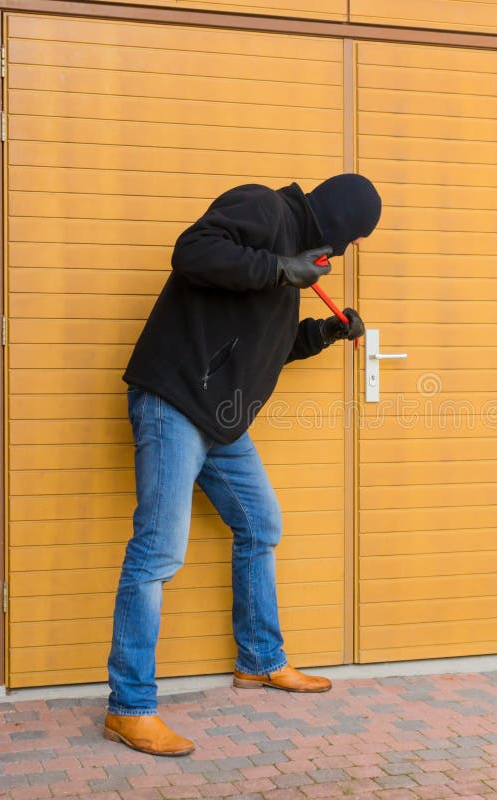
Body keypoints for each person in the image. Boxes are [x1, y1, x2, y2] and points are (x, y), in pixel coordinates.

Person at [103, 174, 381, 757]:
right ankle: (129, 708)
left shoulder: (293, 263)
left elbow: (268, 344)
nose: (341, 255)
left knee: (261, 523)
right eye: (349, 241)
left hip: (220, 421)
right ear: (336, 223)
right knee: (158, 552)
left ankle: (259, 661)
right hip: (174, 403)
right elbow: (193, 252)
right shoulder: (263, 208)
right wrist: (284, 270)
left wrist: (326, 332)